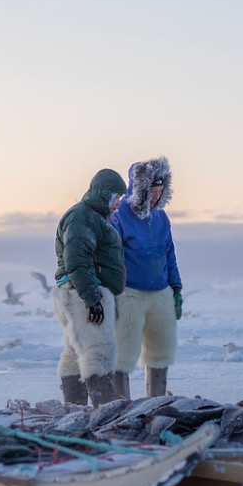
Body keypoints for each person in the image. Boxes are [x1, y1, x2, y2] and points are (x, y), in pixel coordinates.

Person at [51, 168, 127, 406]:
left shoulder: (90, 216)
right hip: (84, 293)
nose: (118, 203)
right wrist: (91, 297)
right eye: (116, 197)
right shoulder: (83, 216)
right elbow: (77, 258)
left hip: (75, 293)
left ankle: (75, 410)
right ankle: (104, 412)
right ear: (104, 193)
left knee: (75, 353)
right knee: (100, 351)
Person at [110, 157, 184, 398]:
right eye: (151, 191)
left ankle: (156, 401)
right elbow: (111, 255)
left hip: (160, 292)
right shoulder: (119, 215)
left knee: (161, 350)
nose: (155, 196)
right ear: (139, 188)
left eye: (160, 191)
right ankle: (121, 404)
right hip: (128, 292)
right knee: (124, 353)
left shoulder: (161, 217)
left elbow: (169, 252)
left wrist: (176, 288)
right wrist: (111, 293)